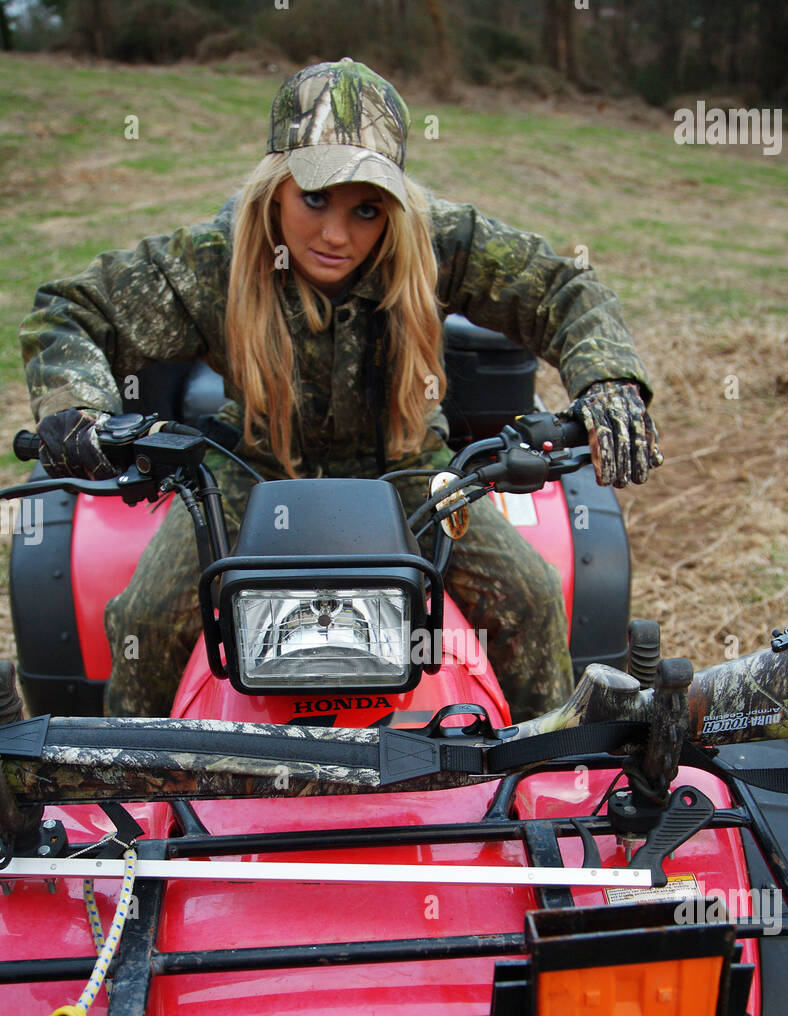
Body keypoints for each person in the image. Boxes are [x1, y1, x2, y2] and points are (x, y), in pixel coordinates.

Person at [19, 58, 662, 722]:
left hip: (411, 471)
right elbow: (69, 311)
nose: (336, 234)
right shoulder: (214, 259)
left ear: (393, 205)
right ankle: (137, 808)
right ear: (277, 185)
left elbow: (561, 288)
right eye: (316, 199)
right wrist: (77, 407)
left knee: (528, 596)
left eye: (365, 209)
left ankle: (544, 785)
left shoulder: (438, 239)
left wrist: (608, 378)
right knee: (145, 621)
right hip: (252, 471)